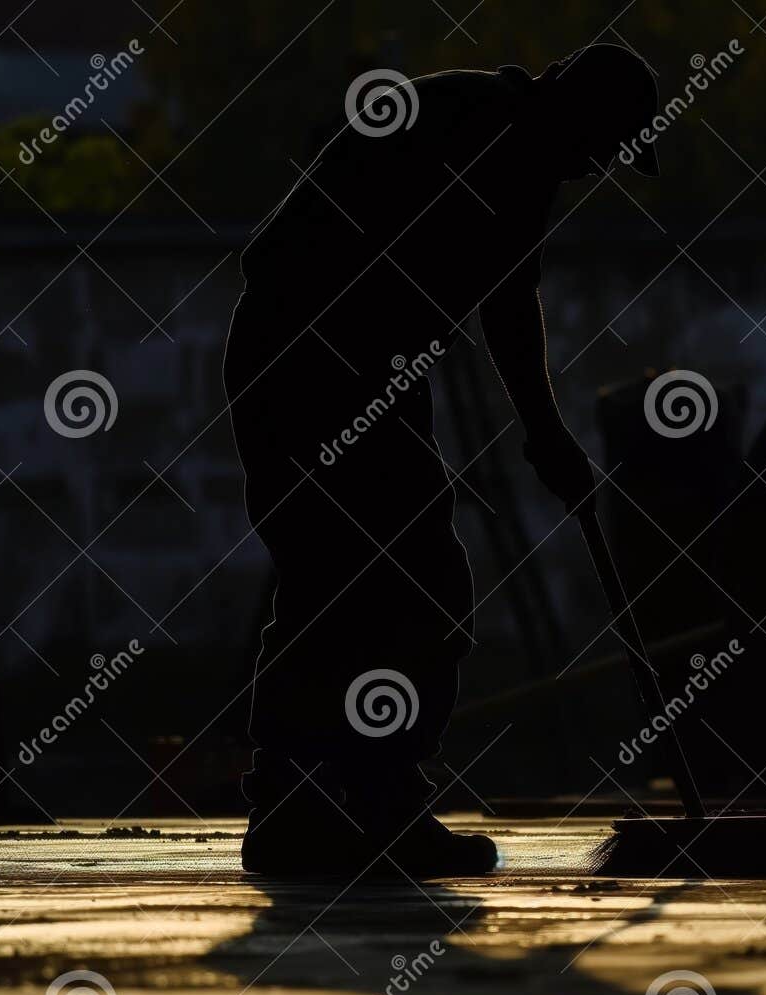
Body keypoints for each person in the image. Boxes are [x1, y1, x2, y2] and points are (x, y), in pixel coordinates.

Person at [223, 43, 659, 879]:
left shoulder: (501, 129)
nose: (591, 169)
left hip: (352, 361)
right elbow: (497, 296)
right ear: (576, 114)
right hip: (316, 357)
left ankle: (342, 802)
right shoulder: (493, 135)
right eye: (599, 149)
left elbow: (505, 291)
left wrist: (542, 430)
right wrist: (542, 431)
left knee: (363, 576)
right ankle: (341, 804)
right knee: (373, 576)